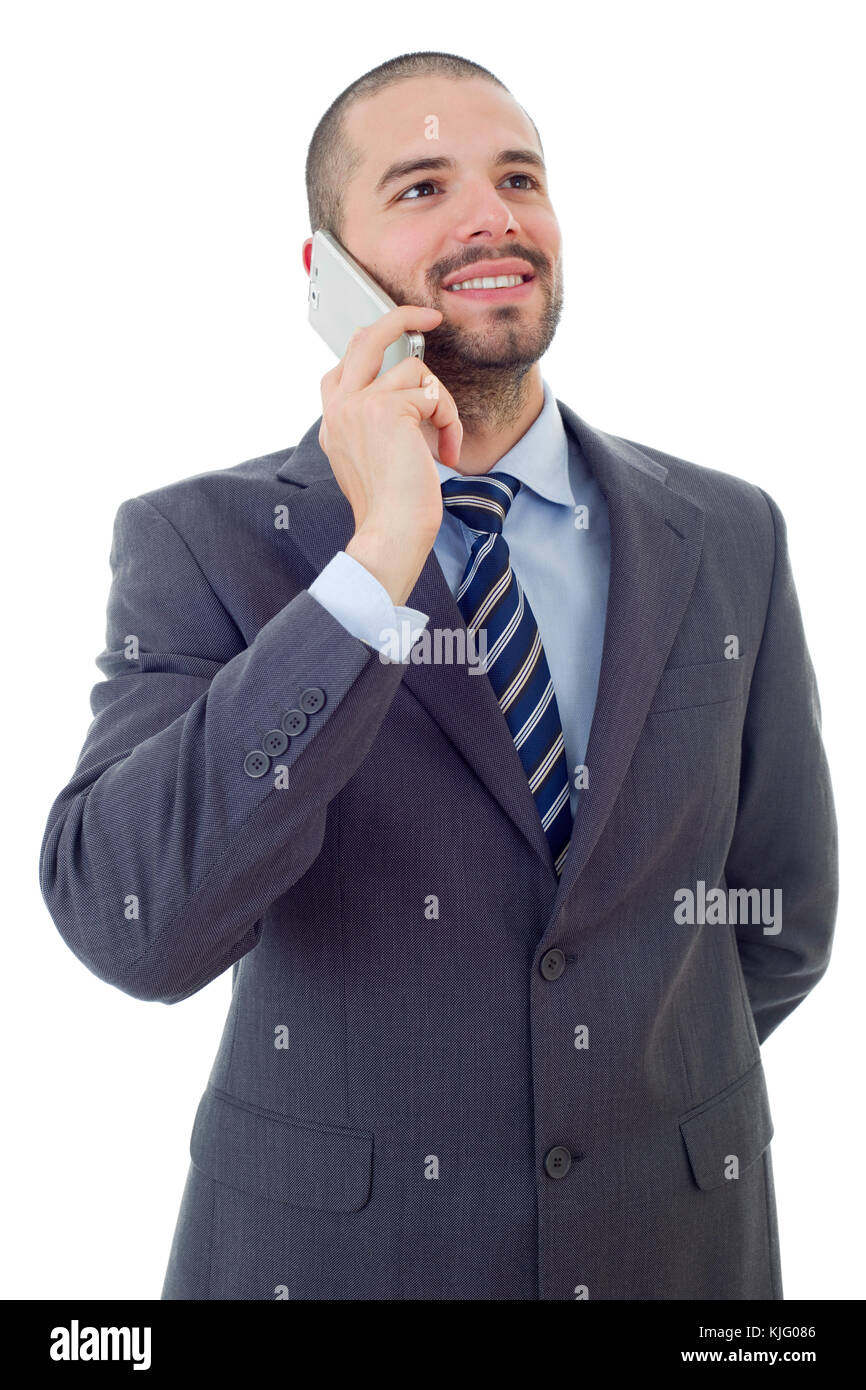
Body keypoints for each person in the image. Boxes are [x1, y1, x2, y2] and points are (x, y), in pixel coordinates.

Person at [39, 50, 838, 1301]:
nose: (492, 216)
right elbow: (133, 919)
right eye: (421, 187)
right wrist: (373, 565)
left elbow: (775, 914)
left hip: (676, 1254)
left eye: (518, 177)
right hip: (339, 1261)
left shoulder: (728, 531)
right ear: (328, 277)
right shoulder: (200, 539)